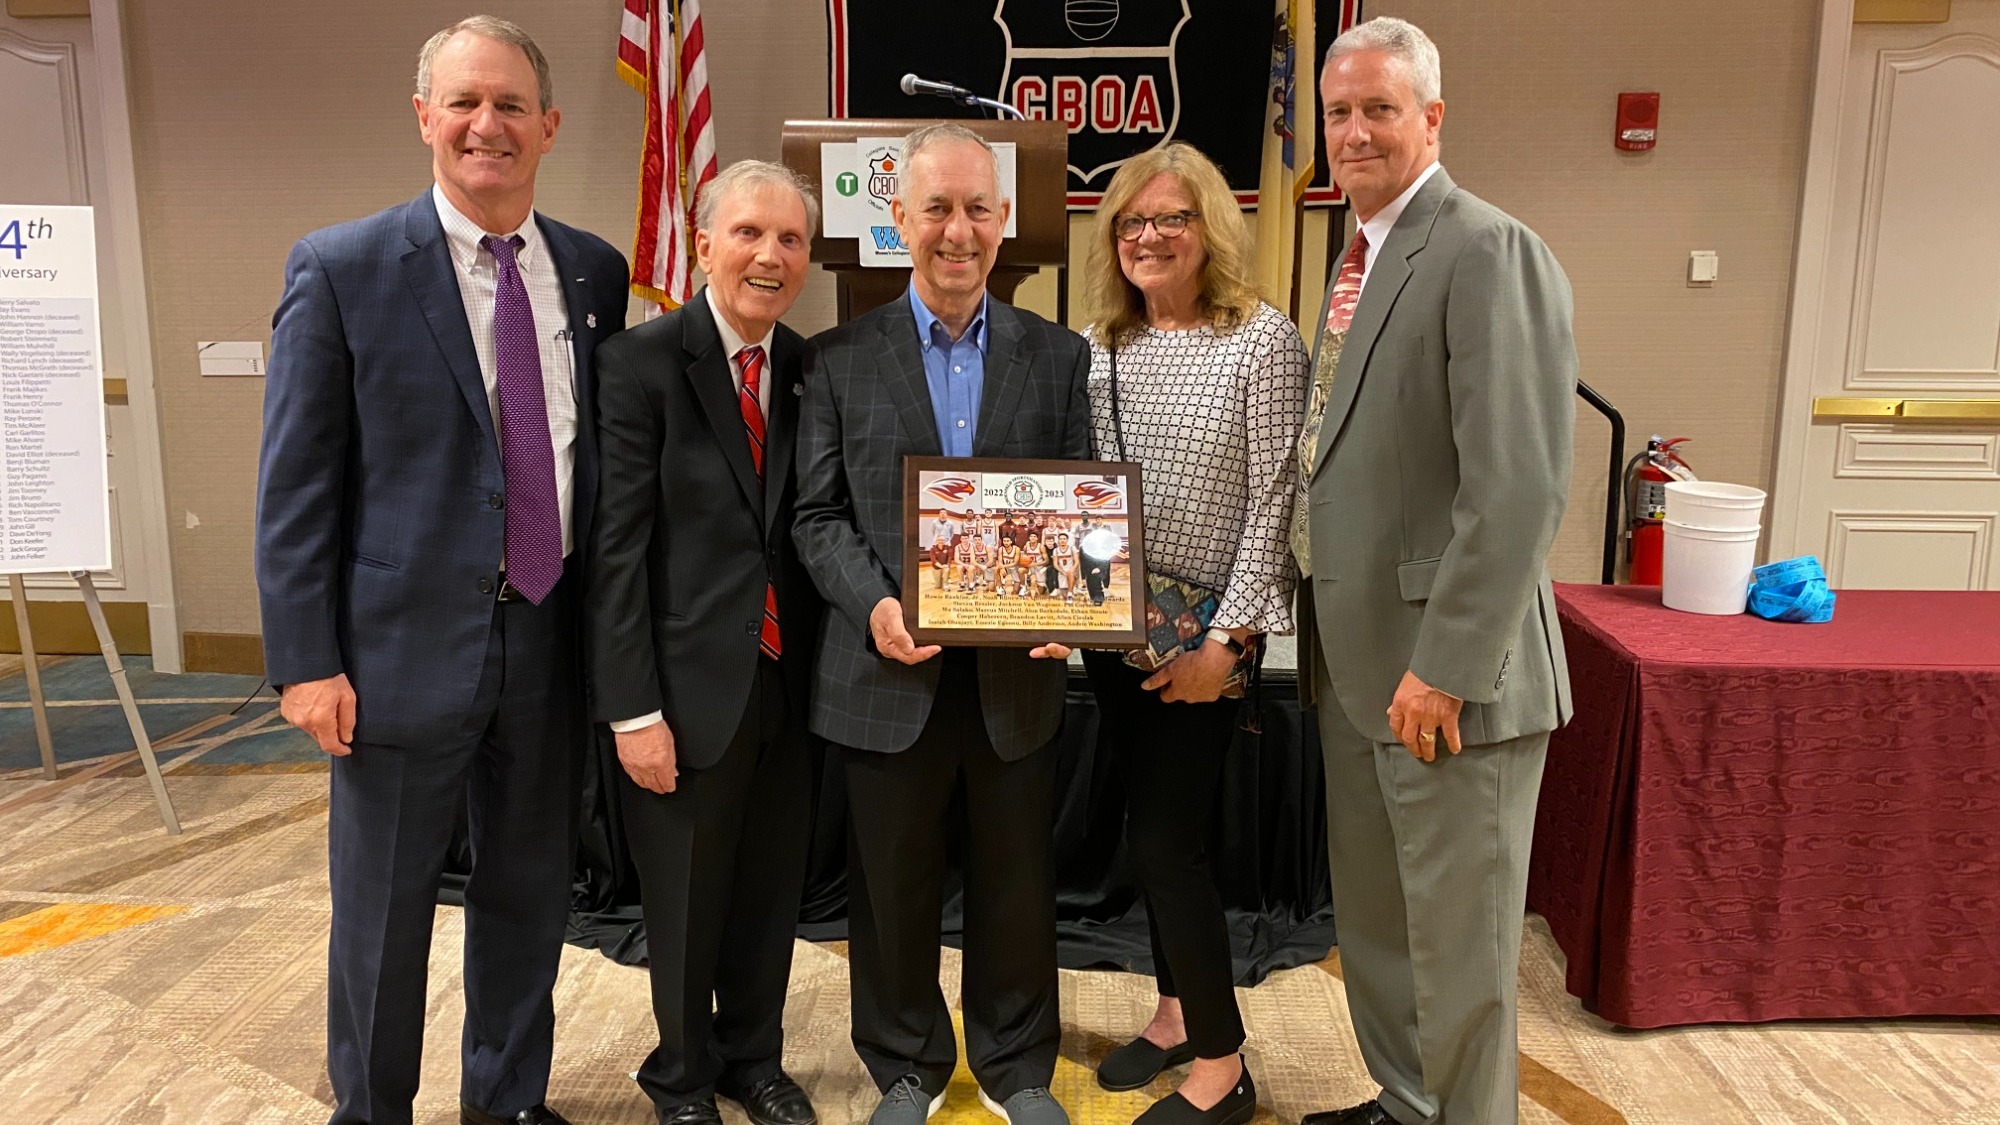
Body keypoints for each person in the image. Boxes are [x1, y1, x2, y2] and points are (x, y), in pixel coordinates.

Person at [254, 17, 628, 1125]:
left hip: (547, 642)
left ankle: (505, 1103)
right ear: (423, 117)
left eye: (511, 105)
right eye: (463, 102)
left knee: (525, 901)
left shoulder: (593, 271)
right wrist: (305, 662)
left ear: (549, 127)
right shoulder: (343, 267)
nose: (487, 125)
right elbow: (296, 488)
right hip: (396, 653)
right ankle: (371, 1110)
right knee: (381, 916)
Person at [1294, 18, 1575, 1125]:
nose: (1353, 131)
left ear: (1431, 119)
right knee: (1379, 930)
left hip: (1447, 681)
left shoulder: (1482, 247)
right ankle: (1406, 1102)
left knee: (1459, 963)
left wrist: (1445, 665)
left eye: (1378, 109)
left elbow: (1514, 491)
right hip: (1358, 668)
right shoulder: (1360, 252)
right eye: (1337, 112)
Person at [793, 121, 1088, 1125]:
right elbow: (815, 514)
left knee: (1015, 883)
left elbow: (1077, 511)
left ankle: (1016, 1069)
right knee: (889, 889)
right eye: (935, 209)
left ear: (1003, 223)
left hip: (1016, 683)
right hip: (885, 670)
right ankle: (905, 1067)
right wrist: (874, 604)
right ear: (897, 220)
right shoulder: (836, 359)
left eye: (975, 209)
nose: (955, 231)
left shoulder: (1059, 358)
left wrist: (1069, 610)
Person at [586, 161, 823, 1125]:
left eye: (791, 240)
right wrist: (632, 709)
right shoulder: (639, 366)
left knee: (769, 897)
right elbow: (615, 556)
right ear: (705, 241)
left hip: (789, 689)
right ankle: (680, 1076)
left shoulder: (809, 367)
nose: (769, 256)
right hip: (679, 696)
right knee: (684, 907)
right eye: (749, 234)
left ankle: (750, 1059)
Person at [1077, 142, 1308, 1125]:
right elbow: (1085, 495)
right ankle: (1173, 1013)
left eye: (1170, 218)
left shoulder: (1261, 340)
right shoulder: (1100, 343)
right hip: (1117, 636)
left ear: (1209, 226)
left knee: (1170, 844)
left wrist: (1229, 640)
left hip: (1212, 639)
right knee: (1147, 834)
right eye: (1131, 222)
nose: (1149, 237)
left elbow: (1274, 502)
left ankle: (1222, 1061)